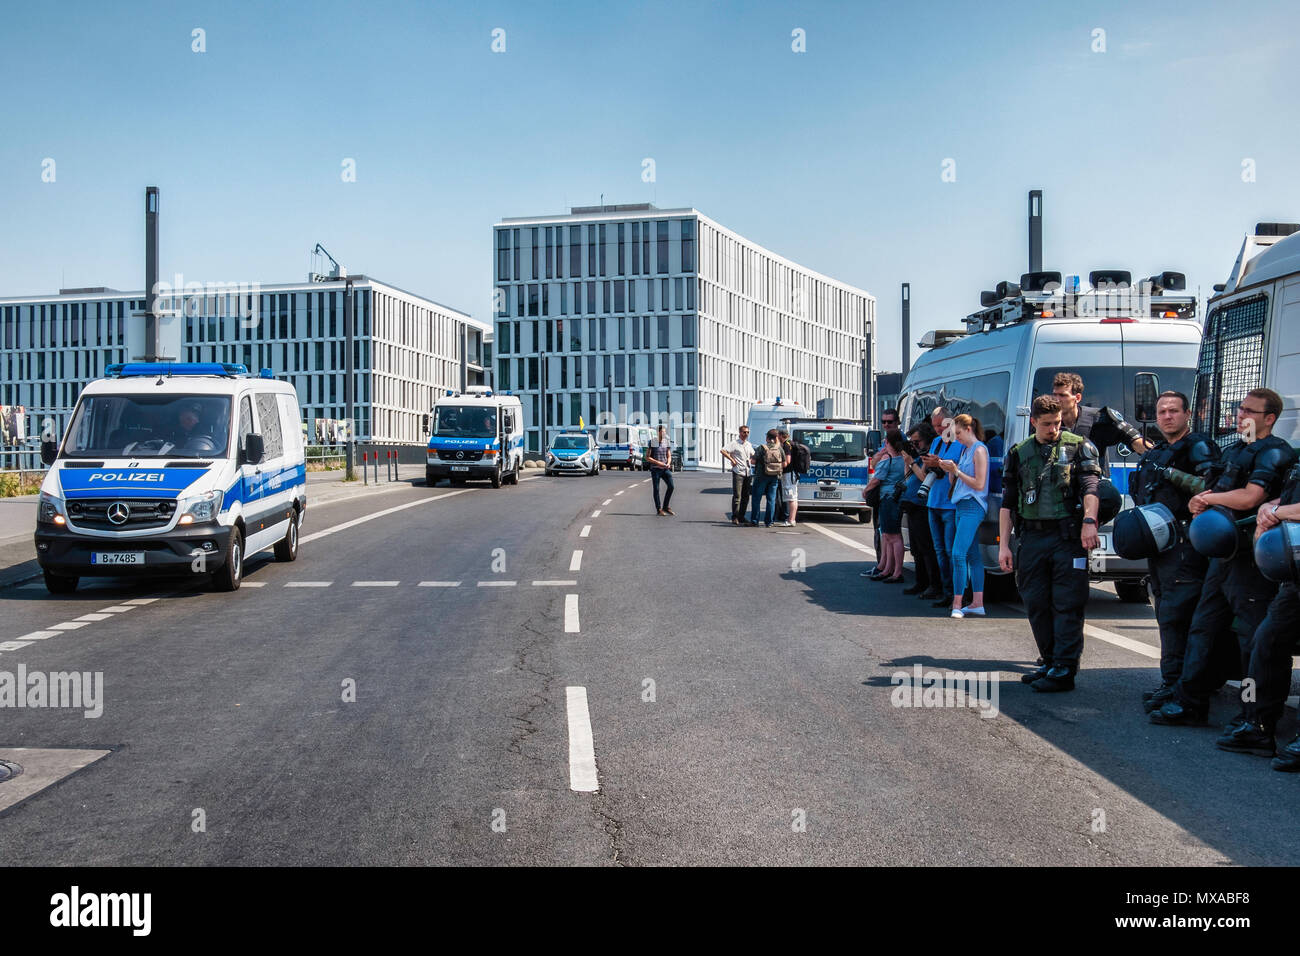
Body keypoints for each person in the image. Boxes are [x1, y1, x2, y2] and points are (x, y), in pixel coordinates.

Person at [1152, 388, 1298, 728]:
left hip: (1251, 559)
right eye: (1239, 408)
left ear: (1270, 418)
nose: (1240, 415)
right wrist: (1202, 498)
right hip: (1222, 556)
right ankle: (1190, 703)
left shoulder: (1274, 452)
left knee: (1252, 641)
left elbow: (1251, 497)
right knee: (1203, 628)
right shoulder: (1235, 449)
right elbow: (1214, 486)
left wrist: (1208, 498)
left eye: (1249, 410)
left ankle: (1251, 716)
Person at [998, 395, 1103, 692]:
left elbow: (1090, 487)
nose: (1053, 429)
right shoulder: (1019, 453)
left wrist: (1089, 521)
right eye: (1047, 424)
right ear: (1033, 422)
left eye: (1057, 423)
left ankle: (1064, 669)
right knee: (1035, 602)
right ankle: (1050, 659)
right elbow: (1008, 503)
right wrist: (1005, 546)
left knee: (1068, 603)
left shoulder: (1079, 445)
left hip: (1067, 537)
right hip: (1031, 537)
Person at [1127, 391, 1221, 713]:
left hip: (1186, 546)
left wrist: (1176, 477)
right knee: (1166, 616)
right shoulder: (1159, 452)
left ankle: (1181, 688)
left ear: (1187, 414)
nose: (1167, 416)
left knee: (1178, 618)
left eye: (1173, 411)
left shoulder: (1198, 446)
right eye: (1162, 411)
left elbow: (1213, 488)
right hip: (1161, 548)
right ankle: (1171, 684)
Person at [1241, 464, 1300, 770]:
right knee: (1267, 641)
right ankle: (1259, 727)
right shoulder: (1296, 468)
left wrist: (1277, 511)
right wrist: (1270, 507)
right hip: (1294, 578)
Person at [940, 414, 990, 618]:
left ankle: (957, 604)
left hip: (972, 505)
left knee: (958, 554)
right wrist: (950, 471)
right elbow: (961, 480)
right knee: (972, 555)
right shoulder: (968, 450)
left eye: (958, 433)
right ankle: (977, 603)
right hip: (963, 504)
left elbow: (979, 484)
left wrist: (957, 472)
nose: (956, 437)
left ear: (968, 429)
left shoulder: (979, 450)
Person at [1051, 371, 1151, 460]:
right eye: (1055, 395)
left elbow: (1134, 439)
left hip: (1094, 479)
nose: (1057, 399)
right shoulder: (1046, 423)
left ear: (1077, 398)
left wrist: (1157, 458)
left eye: (1063, 395)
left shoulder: (1098, 419)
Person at [922, 407, 964, 608]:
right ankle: (946, 591)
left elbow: (959, 469)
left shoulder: (959, 442)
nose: (938, 429)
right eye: (935, 426)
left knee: (950, 550)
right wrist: (928, 462)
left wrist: (939, 463)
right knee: (939, 550)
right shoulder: (937, 442)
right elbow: (931, 468)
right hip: (934, 500)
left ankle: (956, 593)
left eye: (942, 425)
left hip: (951, 503)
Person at [901, 423, 942, 599]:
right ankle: (921, 581)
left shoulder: (929, 456)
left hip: (922, 506)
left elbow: (925, 478)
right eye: (912, 442)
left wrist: (912, 463)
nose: (915, 445)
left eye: (917, 442)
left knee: (926, 547)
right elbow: (908, 476)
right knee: (916, 548)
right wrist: (908, 462)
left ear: (926, 440)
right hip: (912, 504)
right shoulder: (918, 455)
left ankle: (933, 584)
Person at [863, 432, 909, 581]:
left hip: (887, 498)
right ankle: (888, 569)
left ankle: (896, 572)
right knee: (888, 535)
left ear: (888, 442)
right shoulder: (903, 459)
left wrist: (866, 490)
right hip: (897, 497)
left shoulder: (887, 459)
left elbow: (877, 478)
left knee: (892, 536)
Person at [749, 428, 787, 528]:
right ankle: (769, 522)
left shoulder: (762, 448)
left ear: (767, 438)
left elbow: (752, 461)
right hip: (774, 477)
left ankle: (754, 520)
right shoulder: (779, 449)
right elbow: (784, 464)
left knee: (757, 499)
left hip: (761, 476)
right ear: (776, 438)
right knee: (771, 499)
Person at [721, 425, 755, 525]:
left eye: (747, 432)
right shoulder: (734, 443)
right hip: (738, 472)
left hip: (747, 472)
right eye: (744, 432)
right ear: (740, 433)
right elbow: (723, 450)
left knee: (746, 496)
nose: (746, 434)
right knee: (737, 496)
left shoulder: (748, 444)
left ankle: (741, 516)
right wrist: (732, 459)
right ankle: (734, 517)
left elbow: (753, 455)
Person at [776, 428, 806, 527]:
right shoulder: (791, 443)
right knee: (793, 497)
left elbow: (787, 461)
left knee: (791, 497)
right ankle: (791, 519)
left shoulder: (787, 445)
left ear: (780, 435)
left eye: (778, 435)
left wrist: (777, 466)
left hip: (789, 474)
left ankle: (791, 520)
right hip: (792, 474)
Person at [646, 424, 676, 516]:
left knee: (671, 486)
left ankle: (666, 507)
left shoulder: (666, 442)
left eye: (665, 432)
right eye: (662, 432)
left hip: (665, 469)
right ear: (658, 432)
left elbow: (669, 455)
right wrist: (658, 463)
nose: (664, 433)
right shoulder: (652, 442)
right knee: (657, 489)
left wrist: (668, 463)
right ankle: (659, 509)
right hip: (655, 470)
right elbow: (647, 457)